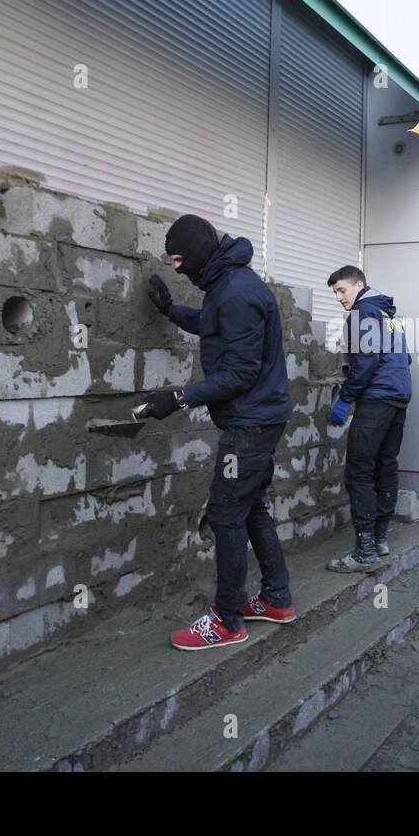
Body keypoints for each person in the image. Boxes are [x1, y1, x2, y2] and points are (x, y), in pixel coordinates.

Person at [140, 214, 295, 650]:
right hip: (258, 417)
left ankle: (227, 620)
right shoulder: (227, 284)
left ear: (197, 257)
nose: (181, 273)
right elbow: (215, 326)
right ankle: (277, 600)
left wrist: (179, 397)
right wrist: (171, 311)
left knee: (227, 514)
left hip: (250, 423)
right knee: (251, 508)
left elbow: (240, 373)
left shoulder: (236, 292)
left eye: (181, 264)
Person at [325, 265, 412, 572]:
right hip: (399, 398)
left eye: (342, 290)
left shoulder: (363, 313)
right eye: (335, 292)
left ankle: (365, 552)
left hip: (376, 400)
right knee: (385, 464)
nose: (339, 297)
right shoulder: (390, 316)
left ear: (359, 284)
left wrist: (346, 398)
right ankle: (380, 538)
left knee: (359, 471)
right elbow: (406, 357)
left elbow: (366, 362)